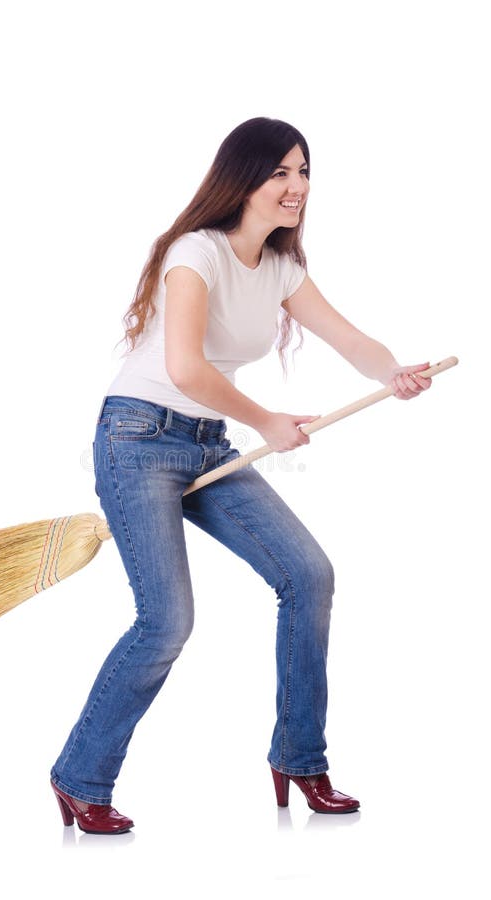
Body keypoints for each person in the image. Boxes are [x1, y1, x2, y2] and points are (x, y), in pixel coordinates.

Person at [49, 117, 431, 834]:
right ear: (243, 179)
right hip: (136, 437)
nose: (297, 186)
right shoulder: (196, 253)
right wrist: (267, 419)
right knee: (166, 621)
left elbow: (349, 338)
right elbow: (184, 369)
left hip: (207, 442)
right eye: (279, 172)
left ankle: (300, 758)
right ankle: (80, 777)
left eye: (304, 171)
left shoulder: (282, 268)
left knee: (308, 575)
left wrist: (396, 372)